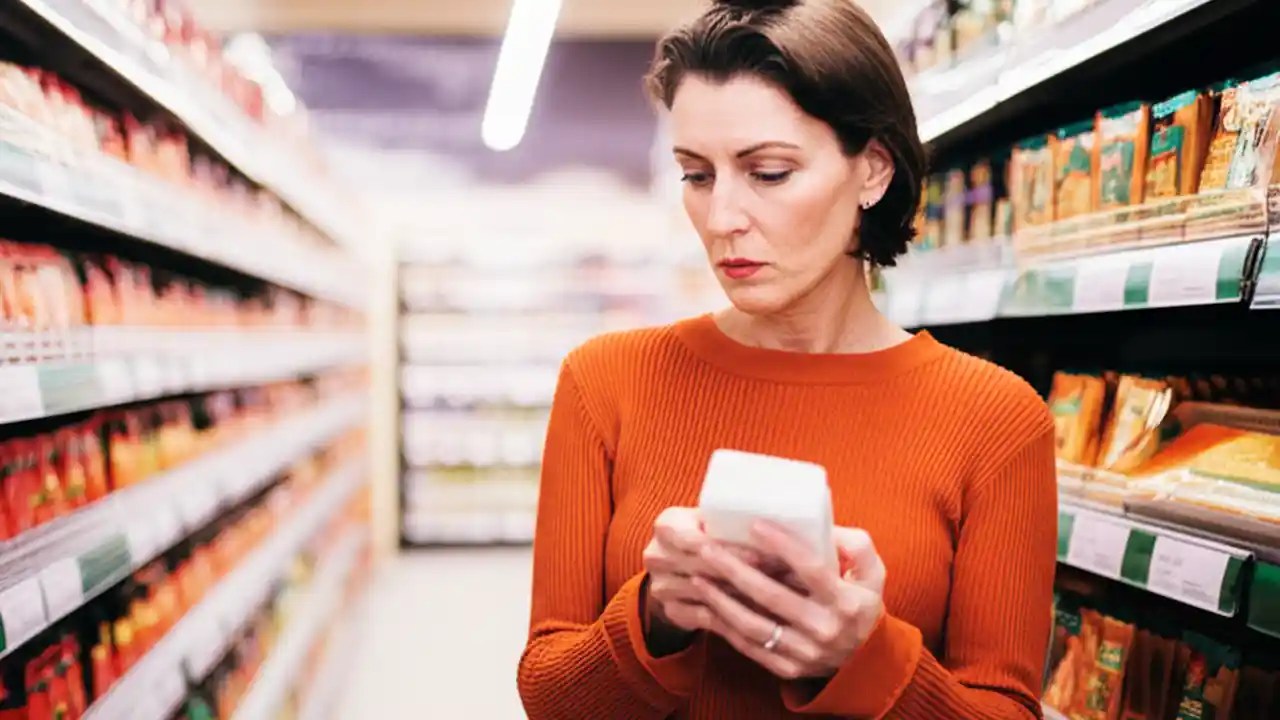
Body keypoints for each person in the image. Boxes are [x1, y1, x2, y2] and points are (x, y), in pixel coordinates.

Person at [516, 0, 1056, 717]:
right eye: (696, 175)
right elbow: (548, 694)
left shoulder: (997, 420)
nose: (721, 217)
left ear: (872, 171)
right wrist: (655, 616)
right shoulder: (604, 382)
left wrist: (864, 660)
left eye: (767, 172)